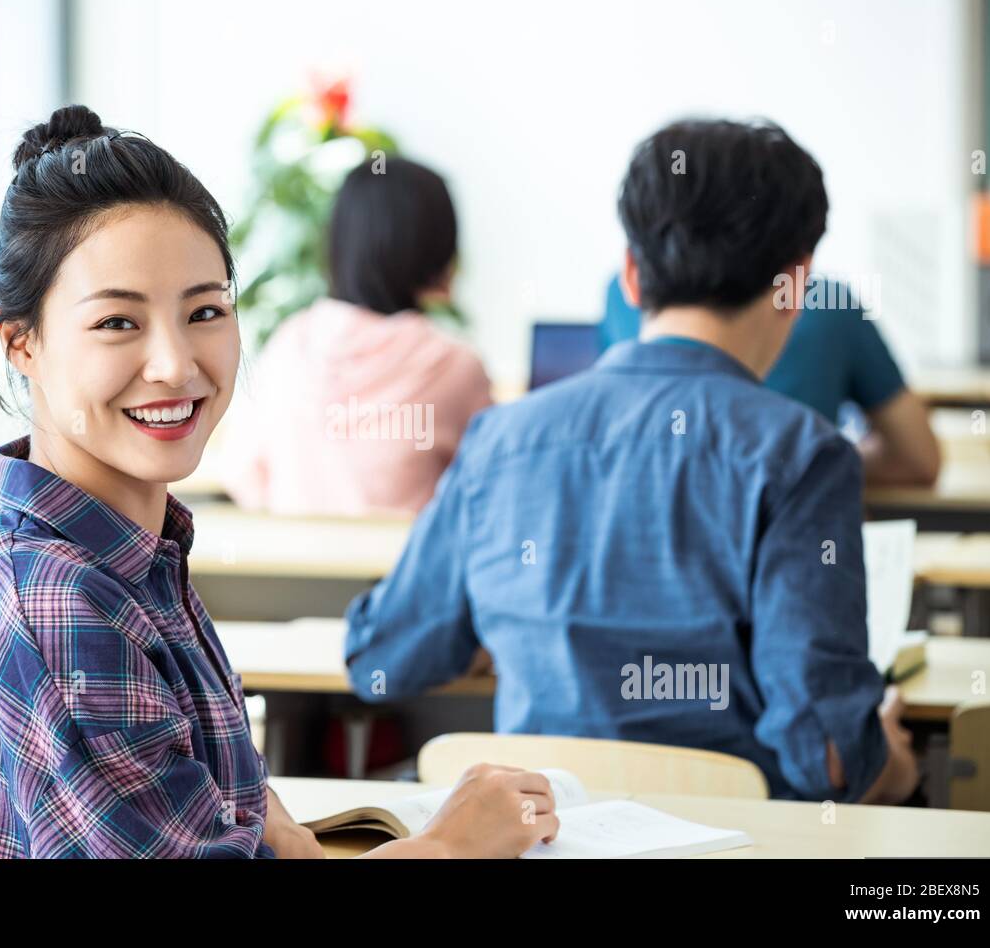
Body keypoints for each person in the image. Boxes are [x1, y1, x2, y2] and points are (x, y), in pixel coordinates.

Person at [0, 105, 559, 858]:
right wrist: (451, 848)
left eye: (205, 310)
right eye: (117, 323)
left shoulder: (128, 553)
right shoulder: (61, 604)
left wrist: (267, 827)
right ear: (24, 343)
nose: (176, 364)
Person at [344, 118, 919, 805]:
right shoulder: (803, 454)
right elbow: (824, 757)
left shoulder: (502, 439)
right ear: (795, 282)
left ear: (631, 274)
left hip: (544, 842)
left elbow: (382, 656)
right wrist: (897, 763)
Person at [223, 158, 492, 516]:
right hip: (402, 569)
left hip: (291, 566)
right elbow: (493, 487)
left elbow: (243, 476)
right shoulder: (453, 365)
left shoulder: (287, 343)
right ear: (436, 249)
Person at [600, 275, 941, 486]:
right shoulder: (828, 304)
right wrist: (821, 463)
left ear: (632, 268)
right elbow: (918, 458)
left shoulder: (621, 296)